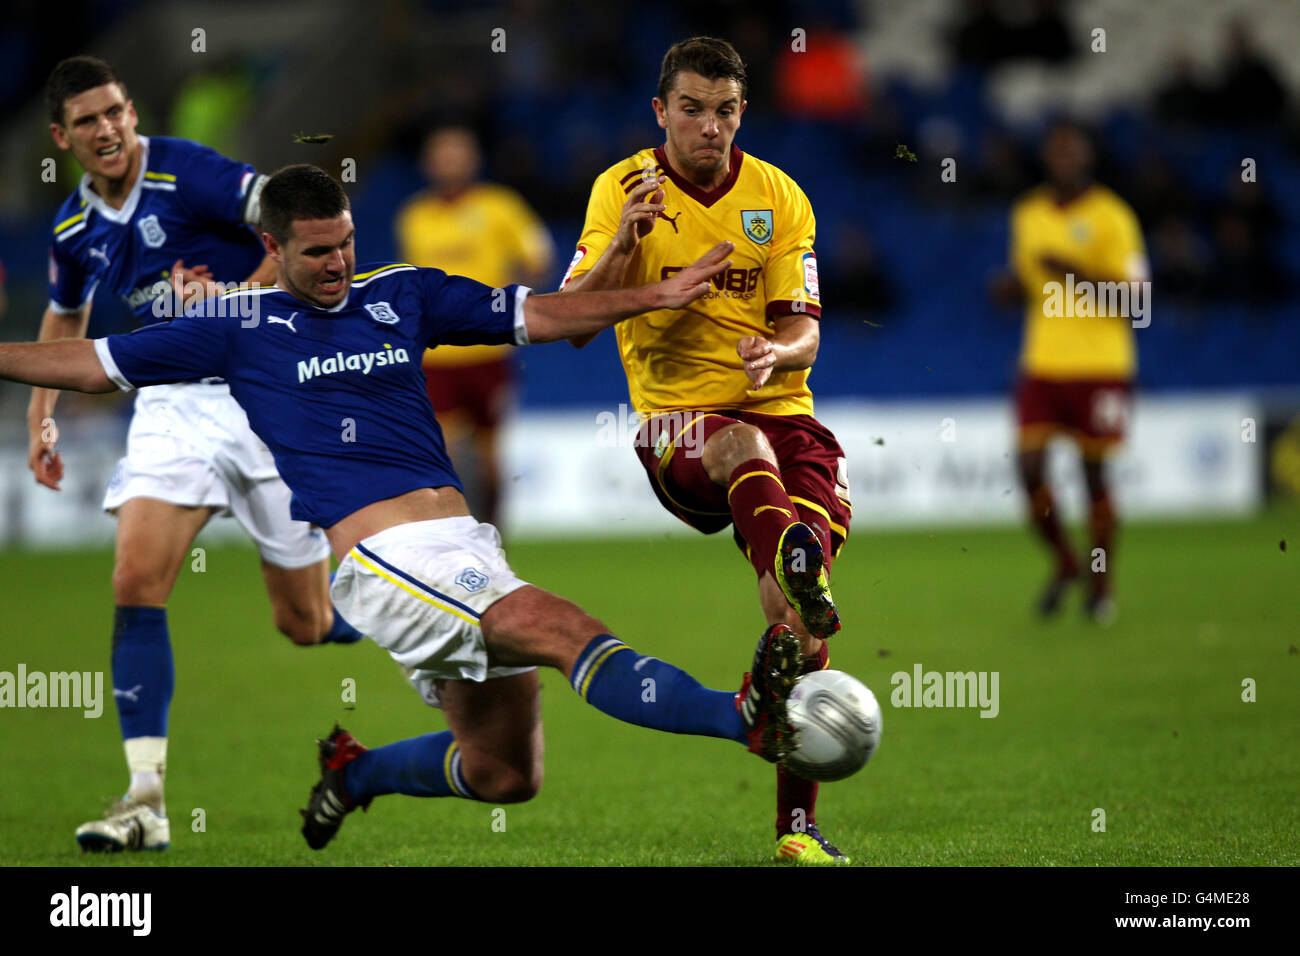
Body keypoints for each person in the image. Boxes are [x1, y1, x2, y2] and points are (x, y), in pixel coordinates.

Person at [0, 163, 804, 854]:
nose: (338, 262)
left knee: (504, 772)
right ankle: (742, 718)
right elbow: (90, 363)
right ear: (271, 249)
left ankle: (357, 772)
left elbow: (541, 314)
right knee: (562, 627)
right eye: (317, 251)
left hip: (463, 550)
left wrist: (651, 292)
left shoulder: (401, 294)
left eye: (346, 241)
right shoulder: (234, 327)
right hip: (386, 562)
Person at [31, 56, 365, 853]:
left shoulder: (188, 172)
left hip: (265, 392)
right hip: (173, 404)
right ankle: (144, 798)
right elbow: (63, 321)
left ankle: (409, 623)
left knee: (306, 621)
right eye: (87, 121)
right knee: (135, 579)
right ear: (61, 137)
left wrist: (241, 297)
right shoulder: (72, 230)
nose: (106, 129)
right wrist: (41, 418)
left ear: (131, 111)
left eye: (115, 112)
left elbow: (287, 218)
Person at [560, 37, 852, 865]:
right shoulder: (621, 190)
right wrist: (623, 247)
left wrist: (778, 354)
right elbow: (571, 323)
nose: (709, 127)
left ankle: (797, 833)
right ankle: (795, 552)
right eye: (691, 109)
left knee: (798, 630)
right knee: (739, 443)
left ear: (741, 114)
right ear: (661, 112)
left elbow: (804, 329)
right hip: (680, 425)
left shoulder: (779, 196)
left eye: (724, 111)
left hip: (784, 412)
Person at [990, 122, 1148, 623]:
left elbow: (1137, 302)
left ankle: (1101, 588)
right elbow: (1030, 281)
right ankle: (1066, 562)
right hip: (1042, 364)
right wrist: (1010, 289)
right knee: (1028, 468)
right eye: (1054, 151)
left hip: (1101, 365)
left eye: (1071, 151)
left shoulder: (1113, 217)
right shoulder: (1028, 212)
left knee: (1094, 475)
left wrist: (1072, 270)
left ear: (1086, 158)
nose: (1062, 159)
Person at [395, 126, 554, 527]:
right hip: (437, 357)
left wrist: (503, 307)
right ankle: (457, 540)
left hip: (488, 353)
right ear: (427, 163)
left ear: (473, 159)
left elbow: (539, 258)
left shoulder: (501, 206)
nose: (450, 162)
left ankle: (495, 537)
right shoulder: (414, 216)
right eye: (441, 154)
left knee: (489, 462)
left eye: (458, 153)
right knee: (442, 455)